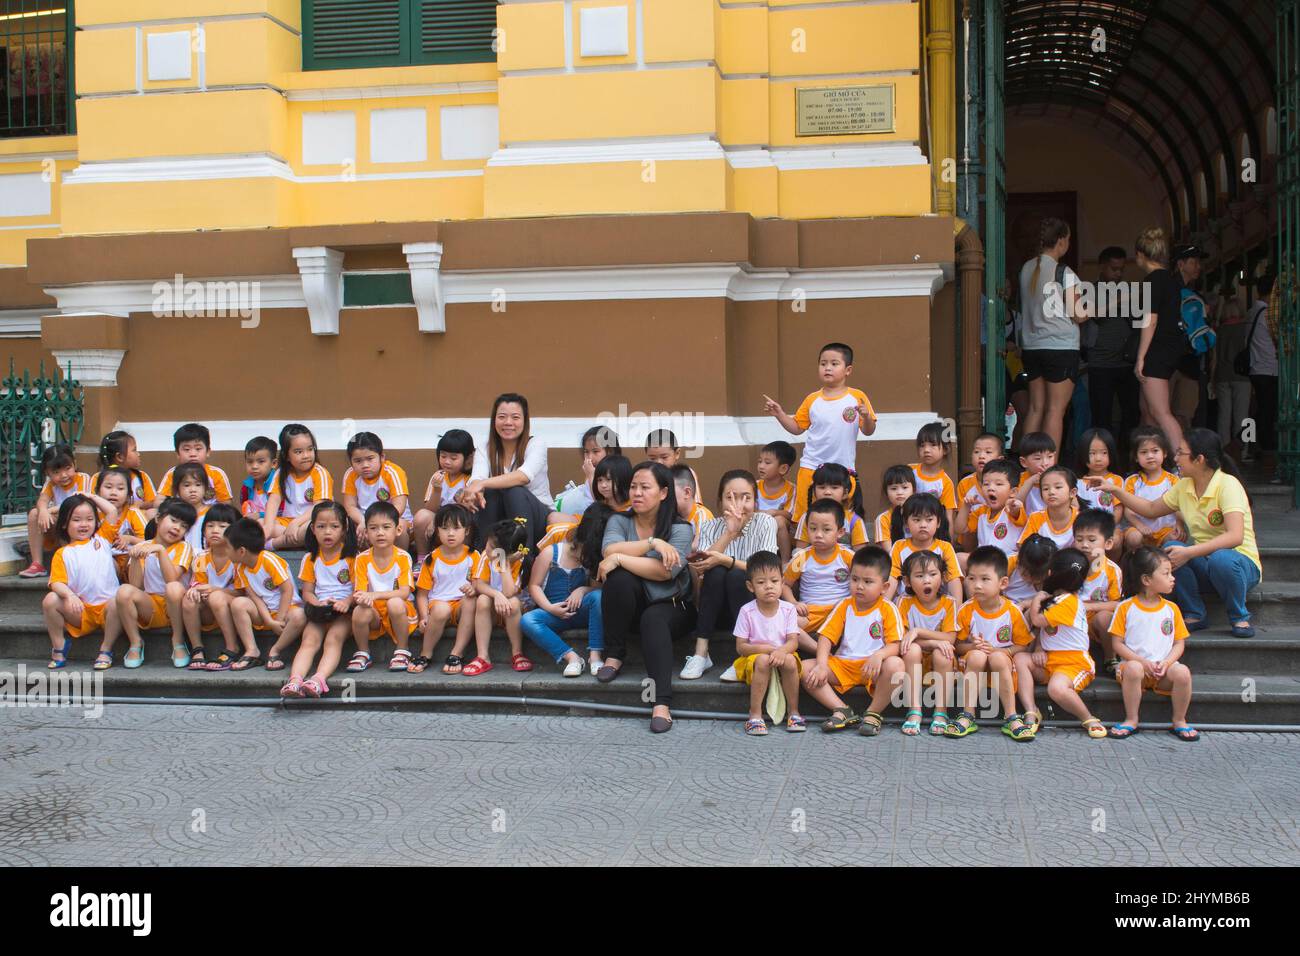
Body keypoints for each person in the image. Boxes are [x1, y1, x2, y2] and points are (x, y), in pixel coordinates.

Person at [1088, 428, 1260, 637]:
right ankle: (1195, 612)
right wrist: (1115, 490)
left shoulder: (1227, 485)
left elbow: (1235, 537)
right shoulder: (1185, 485)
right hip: (1206, 563)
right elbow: (1151, 509)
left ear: (1199, 459)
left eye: (1181, 453)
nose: (1176, 458)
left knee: (1220, 559)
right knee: (1171, 549)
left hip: (1240, 566)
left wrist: (1190, 552)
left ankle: (1239, 617)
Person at [595, 461, 695, 734]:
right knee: (618, 579)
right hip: (634, 604)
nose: (637, 493)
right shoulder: (619, 520)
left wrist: (619, 557)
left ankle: (661, 703)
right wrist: (652, 543)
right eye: (633, 487)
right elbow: (608, 549)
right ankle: (614, 654)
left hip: (673, 606)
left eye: (645, 487)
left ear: (663, 493)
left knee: (653, 618)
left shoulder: (681, 528)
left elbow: (664, 572)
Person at [680, 470, 779, 680]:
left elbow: (767, 570)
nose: (738, 504)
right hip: (716, 610)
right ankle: (701, 652)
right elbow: (701, 568)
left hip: (754, 610)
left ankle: (742, 657)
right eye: (730, 497)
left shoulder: (765, 523)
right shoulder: (709, 526)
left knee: (735, 574)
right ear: (719, 501)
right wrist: (730, 534)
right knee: (715, 571)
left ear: (756, 501)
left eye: (746, 497)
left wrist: (725, 560)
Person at [763, 341, 877, 524]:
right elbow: (797, 427)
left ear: (848, 370)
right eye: (823, 364)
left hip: (843, 469)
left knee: (841, 517)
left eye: (834, 364)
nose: (827, 368)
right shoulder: (812, 399)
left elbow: (868, 431)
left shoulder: (857, 397)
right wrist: (780, 414)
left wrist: (867, 417)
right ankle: (802, 551)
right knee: (806, 517)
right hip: (811, 467)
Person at [802, 546, 905, 736]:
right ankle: (842, 710)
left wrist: (879, 655)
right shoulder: (844, 605)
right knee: (805, 668)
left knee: (896, 665)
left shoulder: (888, 609)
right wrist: (823, 665)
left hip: (872, 667)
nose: (859, 586)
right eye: (855, 579)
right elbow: (825, 638)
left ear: (884, 587)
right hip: (844, 665)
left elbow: (896, 645)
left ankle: (873, 713)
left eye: (868, 581)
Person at [1108, 547, 1197, 740]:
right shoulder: (1126, 607)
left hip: (1162, 669)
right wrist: (1141, 662)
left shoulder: (1172, 609)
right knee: (1132, 668)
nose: (1172, 578)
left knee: (1182, 672)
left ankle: (1179, 720)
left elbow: (1179, 643)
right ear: (1146, 580)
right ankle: (1131, 719)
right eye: (1166, 573)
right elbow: (1117, 644)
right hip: (1134, 669)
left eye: (1171, 573)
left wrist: (1166, 663)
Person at [1017, 547, 1107, 739]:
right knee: (1021, 659)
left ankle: (1089, 718)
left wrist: (1035, 600)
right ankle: (1031, 711)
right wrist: (1040, 647)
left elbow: (1039, 621)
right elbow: (1047, 630)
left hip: (1074, 663)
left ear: (1050, 573)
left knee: (1056, 689)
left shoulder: (1069, 601)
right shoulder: (1056, 598)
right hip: (1050, 659)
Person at [1017, 218, 1089, 450]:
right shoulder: (1064, 272)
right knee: (1055, 411)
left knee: (1036, 408)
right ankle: (1049, 468)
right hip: (1060, 348)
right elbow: (1078, 315)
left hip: (1032, 347)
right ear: (1060, 241)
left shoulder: (1027, 268)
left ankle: (1028, 463)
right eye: (1067, 239)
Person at [953, 546, 1035, 741]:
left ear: (1003, 582)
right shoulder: (966, 610)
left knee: (997, 657)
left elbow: (1023, 645)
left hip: (1002, 667)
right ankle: (967, 715)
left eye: (985, 579)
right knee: (977, 655)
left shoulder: (1012, 611)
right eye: (971, 579)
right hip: (974, 665)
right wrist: (973, 646)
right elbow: (957, 645)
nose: (977, 585)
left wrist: (998, 650)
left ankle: (1011, 716)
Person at [104, 498, 196, 670]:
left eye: (183, 526)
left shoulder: (184, 547)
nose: (177, 527)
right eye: (173, 520)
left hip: (176, 607)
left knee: (173, 587)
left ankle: (178, 640)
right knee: (124, 590)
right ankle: (135, 642)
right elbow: (136, 585)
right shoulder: (145, 545)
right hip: (151, 606)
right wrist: (135, 558)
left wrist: (161, 551)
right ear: (159, 518)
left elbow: (171, 579)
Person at [521, 506, 609, 677]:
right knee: (528, 620)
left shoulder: (592, 559)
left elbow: (597, 590)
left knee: (598, 596)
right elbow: (534, 585)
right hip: (554, 612)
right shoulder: (551, 552)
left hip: (582, 611)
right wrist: (549, 608)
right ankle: (572, 657)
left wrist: (582, 590)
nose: (582, 556)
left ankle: (595, 655)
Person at [282, 501, 357, 698]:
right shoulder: (311, 558)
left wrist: (346, 602)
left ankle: (318, 680)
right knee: (308, 640)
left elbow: (359, 589)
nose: (327, 532)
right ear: (313, 529)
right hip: (320, 611)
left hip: (344, 612)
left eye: (334, 526)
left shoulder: (351, 557)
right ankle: (295, 680)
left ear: (344, 528)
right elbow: (307, 592)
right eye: (321, 527)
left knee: (333, 639)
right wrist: (317, 603)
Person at [1133, 228, 1197, 458]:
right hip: (1169, 349)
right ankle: (1152, 457)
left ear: (1140, 254)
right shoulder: (1169, 281)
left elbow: (1149, 321)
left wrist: (1141, 357)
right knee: (1148, 409)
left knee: (1160, 412)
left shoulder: (1152, 281)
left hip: (1157, 351)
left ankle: (1182, 460)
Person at [460, 393, 553, 547]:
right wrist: (478, 489)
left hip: (536, 517)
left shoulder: (536, 444)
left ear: (525, 420)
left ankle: (524, 558)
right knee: (488, 494)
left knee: (514, 491)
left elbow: (523, 476)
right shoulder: (485, 447)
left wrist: (482, 484)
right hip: (499, 514)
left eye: (515, 417)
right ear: (494, 420)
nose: (508, 422)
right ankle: (486, 555)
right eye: (502, 417)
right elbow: (477, 477)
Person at [42, 494, 121, 669]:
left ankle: (106, 649)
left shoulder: (102, 539)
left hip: (110, 610)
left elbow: (112, 511)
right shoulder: (62, 553)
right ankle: (59, 645)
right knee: (50, 600)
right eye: (76, 520)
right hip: (82, 610)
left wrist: (89, 496)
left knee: (118, 600)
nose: (84, 524)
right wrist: (70, 595)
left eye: (90, 519)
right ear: (64, 523)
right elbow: (56, 582)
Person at [732, 550, 806, 735]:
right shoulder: (747, 611)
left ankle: (794, 712)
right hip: (754, 658)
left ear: (782, 582)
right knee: (764, 660)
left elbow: (793, 642)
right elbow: (741, 647)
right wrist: (764, 649)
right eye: (761, 582)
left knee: (790, 660)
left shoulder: (789, 609)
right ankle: (755, 715)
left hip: (782, 654)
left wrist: (781, 651)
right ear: (750, 586)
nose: (769, 587)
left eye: (774, 581)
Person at [227, 515, 306, 670]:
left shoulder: (269, 560)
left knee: (300, 616)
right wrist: (269, 621)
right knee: (238, 603)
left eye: (227, 547)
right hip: (265, 612)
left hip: (287, 609)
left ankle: (275, 650)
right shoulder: (240, 568)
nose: (225, 551)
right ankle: (252, 650)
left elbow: (287, 589)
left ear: (241, 551)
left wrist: (280, 618)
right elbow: (255, 598)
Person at [897, 550, 959, 736]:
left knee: (944, 650)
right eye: (919, 575)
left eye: (933, 574)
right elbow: (903, 640)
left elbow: (950, 638)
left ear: (942, 577)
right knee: (912, 648)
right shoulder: (904, 602)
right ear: (907, 581)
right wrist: (933, 641)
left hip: (941, 665)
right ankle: (914, 710)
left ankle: (941, 712)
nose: (927, 580)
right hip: (913, 663)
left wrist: (918, 632)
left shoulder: (949, 603)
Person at [411, 503, 477, 674]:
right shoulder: (431, 559)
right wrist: (424, 616)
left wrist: (473, 589)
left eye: (456, 528)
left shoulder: (474, 556)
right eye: (445, 528)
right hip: (439, 604)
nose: (450, 533)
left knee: (471, 600)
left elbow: (482, 582)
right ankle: (426, 653)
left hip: (462, 606)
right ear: (437, 531)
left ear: (467, 531)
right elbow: (422, 594)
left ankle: (457, 653)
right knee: (440, 609)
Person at [1086, 246, 1140, 454]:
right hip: (1100, 363)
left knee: (1131, 415)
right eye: (1113, 269)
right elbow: (1094, 315)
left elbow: (1139, 321)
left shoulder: (1129, 290)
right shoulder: (1090, 290)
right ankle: (1101, 457)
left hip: (1127, 362)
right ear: (1102, 266)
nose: (1118, 274)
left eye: (1121, 270)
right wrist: (1119, 299)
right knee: (1101, 416)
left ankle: (1127, 457)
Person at [782, 499, 855, 647]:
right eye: (813, 528)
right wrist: (794, 603)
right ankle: (819, 652)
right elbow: (784, 585)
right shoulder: (801, 558)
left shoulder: (848, 557)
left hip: (841, 610)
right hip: (810, 613)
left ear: (840, 532)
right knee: (785, 627)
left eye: (826, 529)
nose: (818, 534)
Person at [181, 503, 241, 670]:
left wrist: (216, 590)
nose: (215, 530)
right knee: (188, 598)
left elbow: (243, 592)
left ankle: (232, 647)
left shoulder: (239, 558)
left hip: (234, 609)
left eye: (222, 526)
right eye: (210, 525)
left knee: (215, 596)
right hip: (210, 609)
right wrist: (195, 590)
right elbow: (199, 585)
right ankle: (197, 649)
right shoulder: (201, 557)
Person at [470, 518, 533, 674]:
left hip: (516, 611)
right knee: (483, 599)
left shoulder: (521, 561)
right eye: (489, 545)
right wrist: (496, 594)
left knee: (513, 602)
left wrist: (504, 564)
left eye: (494, 549)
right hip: (493, 608)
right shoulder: (486, 556)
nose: (489, 551)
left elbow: (510, 592)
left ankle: (517, 653)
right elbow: (479, 584)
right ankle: (483, 656)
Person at [21, 443, 93, 578]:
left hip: (80, 526)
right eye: (56, 472)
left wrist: (49, 510)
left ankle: (72, 564)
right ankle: (37, 564)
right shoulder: (50, 484)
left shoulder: (83, 478)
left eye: (68, 468)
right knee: (34, 514)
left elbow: (77, 502)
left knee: (69, 515)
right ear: (47, 473)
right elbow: (42, 500)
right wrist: (43, 510)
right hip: (60, 527)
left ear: (75, 464)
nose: (64, 475)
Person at [262, 423, 332, 549]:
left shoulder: (320, 473)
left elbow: (319, 508)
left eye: (310, 449)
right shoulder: (280, 473)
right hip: (286, 524)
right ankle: (293, 539)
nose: (306, 455)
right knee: (257, 524)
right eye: (298, 451)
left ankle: (274, 544)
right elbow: (273, 501)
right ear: (286, 455)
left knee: (313, 531)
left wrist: (296, 523)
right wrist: (267, 527)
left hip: (310, 522)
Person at [885, 493, 962, 604]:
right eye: (917, 520)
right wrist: (884, 607)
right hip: (906, 605)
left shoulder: (945, 547)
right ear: (906, 523)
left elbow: (953, 580)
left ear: (938, 522)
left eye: (929, 519)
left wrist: (957, 609)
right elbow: (892, 579)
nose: (923, 525)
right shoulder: (899, 547)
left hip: (938, 605)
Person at [341, 431, 412, 550]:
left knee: (399, 526)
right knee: (342, 525)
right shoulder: (350, 474)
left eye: (370, 459)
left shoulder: (393, 472)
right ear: (351, 461)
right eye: (358, 461)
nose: (365, 465)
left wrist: (373, 523)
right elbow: (350, 506)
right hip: (362, 520)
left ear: (382, 457)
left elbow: (399, 506)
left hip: (392, 518)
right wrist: (363, 521)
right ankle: (358, 562)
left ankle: (401, 561)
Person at [412, 428, 475, 562]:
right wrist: (437, 490)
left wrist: (437, 520)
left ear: (468, 459)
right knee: (421, 516)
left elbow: (465, 511)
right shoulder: (438, 476)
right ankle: (422, 558)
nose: (447, 461)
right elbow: (429, 510)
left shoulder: (470, 480)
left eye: (453, 458)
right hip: (439, 526)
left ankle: (464, 559)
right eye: (443, 456)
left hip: (459, 524)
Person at [1121, 426, 1180, 552]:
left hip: (1165, 530)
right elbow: (1128, 511)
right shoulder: (1132, 481)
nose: (1150, 456)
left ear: (1164, 453)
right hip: (1138, 528)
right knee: (1134, 538)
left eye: (1155, 451)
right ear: (1136, 457)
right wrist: (1139, 526)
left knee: (1174, 540)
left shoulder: (1173, 480)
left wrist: (1180, 524)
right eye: (1144, 452)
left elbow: (1179, 508)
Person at [1211, 294, 1252, 459]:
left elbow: (1214, 357)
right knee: (1242, 417)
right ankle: (1243, 450)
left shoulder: (1219, 330)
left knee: (1223, 415)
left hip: (1222, 375)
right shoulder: (1245, 329)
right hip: (1242, 376)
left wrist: (1212, 378)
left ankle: (1223, 451)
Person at [956, 458, 1024, 558]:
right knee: (959, 558)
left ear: (1013, 492)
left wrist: (1016, 507)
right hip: (984, 560)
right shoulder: (981, 511)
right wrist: (966, 506)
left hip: (1006, 561)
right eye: (986, 484)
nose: (991, 488)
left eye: (999, 484)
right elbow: (959, 529)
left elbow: (1016, 511)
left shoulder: (1011, 509)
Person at [551, 425, 622, 520]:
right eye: (586, 452)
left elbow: (600, 502)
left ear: (610, 451)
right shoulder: (593, 471)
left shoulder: (617, 472)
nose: (590, 457)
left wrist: (591, 475)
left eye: (595, 451)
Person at [792, 462, 868, 548]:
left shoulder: (854, 520)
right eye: (822, 487)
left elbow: (860, 555)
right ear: (814, 491)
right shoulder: (807, 517)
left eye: (834, 487)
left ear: (845, 493)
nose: (827, 492)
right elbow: (800, 551)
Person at [1247, 274, 1279, 475]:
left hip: (1255, 367)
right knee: (1268, 411)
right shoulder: (1267, 313)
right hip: (1269, 368)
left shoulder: (1252, 311)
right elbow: (1278, 337)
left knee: (1260, 410)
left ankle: (1253, 444)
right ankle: (1267, 449)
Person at [156, 423, 233, 505]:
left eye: (198, 449)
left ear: (208, 452)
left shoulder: (217, 474)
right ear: (177, 453)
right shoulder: (172, 474)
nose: (193, 454)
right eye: (187, 449)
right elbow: (159, 501)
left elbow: (226, 503)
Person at [92, 467, 148, 577]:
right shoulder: (94, 514)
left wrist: (129, 539)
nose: (113, 492)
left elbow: (150, 541)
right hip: (106, 562)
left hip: (131, 562)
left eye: (120, 488)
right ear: (97, 491)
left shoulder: (133, 513)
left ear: (128, 495)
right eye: (108, 487)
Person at [909, 420, 958, 531]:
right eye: (922, 446)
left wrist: (948, 544)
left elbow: (948, 517)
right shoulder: (910, 471)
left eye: (933, 445)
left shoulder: (945, 482)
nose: (926, 450)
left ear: (946, 449)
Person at [1017, 464, 1079, 550]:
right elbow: (1023, 547)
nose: (1051, 492)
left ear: (1072, 492)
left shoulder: (1080, 519)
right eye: (1045, 489)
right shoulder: (1035, 518)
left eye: (1058, 487)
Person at [755, 440, 797, 560]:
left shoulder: (791, 489)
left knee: (779, 520)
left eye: (767, 463)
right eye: (760, 461)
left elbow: (791, 515)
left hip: (782, 531)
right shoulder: (754, 486)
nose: (761, 466)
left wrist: (775, 512)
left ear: (783, 468)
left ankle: (784, 561)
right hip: (758, 525)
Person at [98, 430, 156, 509]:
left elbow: (153, 503)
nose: (138, 454)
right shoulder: (98, 477)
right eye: (134, 450)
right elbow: (93, 502)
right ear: (120, 457)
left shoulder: (142, 477)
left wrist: (141, 505)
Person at [956, 432, 1005, 510]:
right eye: (977, 452)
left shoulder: (1006, 483)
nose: (981, 456)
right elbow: (960, 518)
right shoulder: (964, 484)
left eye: (988, 452)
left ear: (1000, 459)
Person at [1015, 431, 1057, 514]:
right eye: (1038, 458)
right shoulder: (1017, 480)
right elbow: (1015, 505)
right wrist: (1030, 481)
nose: (1045, 463)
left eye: (1050, 457)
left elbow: (1075, 506)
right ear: (1023, 462)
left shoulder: (1061, 478)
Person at [874, 465, 915, 544]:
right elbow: (889, 552)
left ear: (914, 489)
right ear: (886, 492)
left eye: (905, 487)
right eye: (894, 488)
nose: (899, 492)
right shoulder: (883, 519)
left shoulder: (922, 514)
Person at [239, 436, 278, 519]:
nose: (254, 466)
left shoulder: (278, 485)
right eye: (250, 462)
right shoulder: (246, 486)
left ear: (273, 463)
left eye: (261, 462)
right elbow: (245, 507)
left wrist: (259, 515)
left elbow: (281, 512)